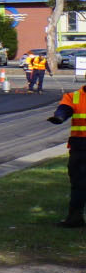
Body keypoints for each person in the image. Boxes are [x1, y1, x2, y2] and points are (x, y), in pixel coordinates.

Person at [46, 85, 86, 227]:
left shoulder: (74, 97)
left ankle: (75, 218)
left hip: (80, 147)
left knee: (79, 184)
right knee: (79, 184)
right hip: (80, 147)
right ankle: (75, 218)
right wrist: (59, 117)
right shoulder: (73, 97)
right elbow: (64, 109)